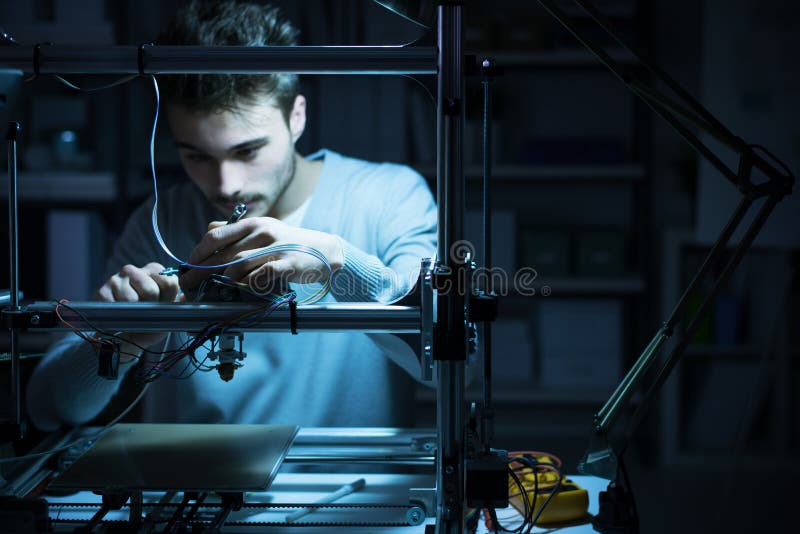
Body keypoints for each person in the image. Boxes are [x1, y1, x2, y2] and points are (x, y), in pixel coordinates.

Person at [26, 0, 437, 431]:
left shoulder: (389, 196)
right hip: (197, 489)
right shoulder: (162, 221)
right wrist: (124, 341)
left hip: (351, 489)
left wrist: (338, 262)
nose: (225, 185)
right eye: (197, 155)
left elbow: (451, 367)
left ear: (296, 117)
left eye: (248, 151)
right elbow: (51, 409)